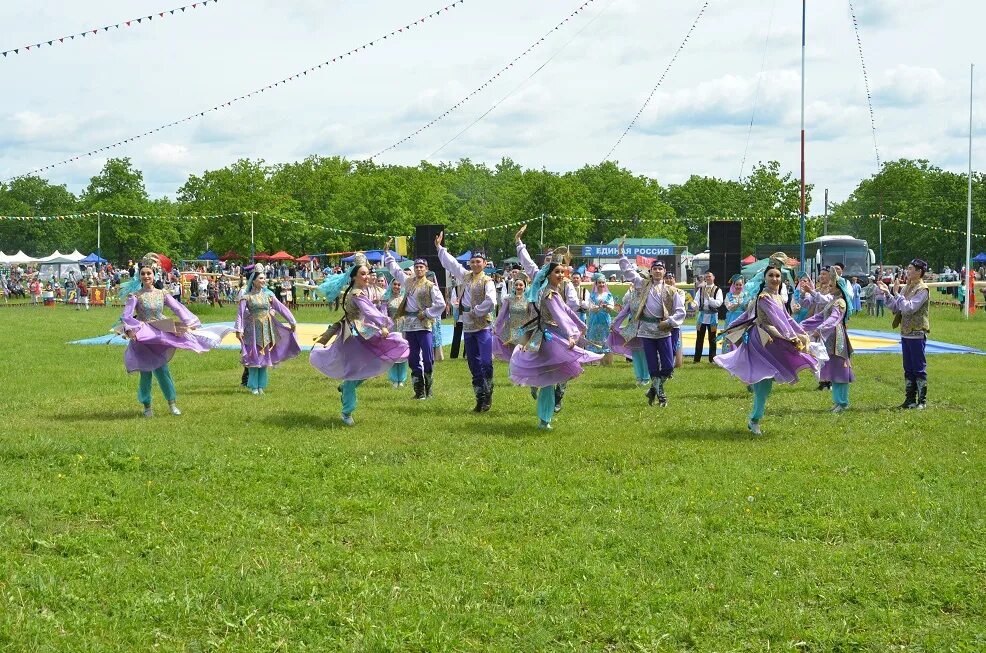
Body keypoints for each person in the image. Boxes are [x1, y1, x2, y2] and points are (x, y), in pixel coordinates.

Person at [715, 264, 817, 436]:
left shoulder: (777, 297)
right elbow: (778, 321)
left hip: (775, 340)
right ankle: (754, 419)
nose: (775, 279)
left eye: (777, 276)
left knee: (768, 379)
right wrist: (792, 336)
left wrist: (801, 333)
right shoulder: (763, 298)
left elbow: (787, 319)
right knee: (764, 379)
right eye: (771, 275)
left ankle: (754, 397)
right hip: (761, 340)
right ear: (765, 278)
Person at [310, 254, 410, 426]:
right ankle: (346, 412)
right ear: (354, 276)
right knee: (354, 371)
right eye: (362, 274)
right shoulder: (356, 294)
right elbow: (370, 311)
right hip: (353, 335)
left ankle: (346, 390)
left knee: (365, 366)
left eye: (367, 273)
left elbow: (369, 311)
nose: (366, 277)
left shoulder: (357, 291)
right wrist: (384, 323)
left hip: (361, 332)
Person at [509, 256, 602, 429]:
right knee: (550, 377)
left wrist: (580, 325)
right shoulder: (550, 294)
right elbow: (560, 317)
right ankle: (544, 419)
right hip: (549, 337)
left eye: (562, 271)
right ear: (549, 275)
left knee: (552, 374)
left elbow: (567, 311)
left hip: (552, 334)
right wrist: (572, 334)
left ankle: (541, 401)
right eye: (556, 272)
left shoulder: (555, 292)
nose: (560, 274)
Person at [117, 258, 214, 417]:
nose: (146, 276)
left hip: (160, 333)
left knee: (163, 370)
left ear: (154, 275)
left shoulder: (163, 294)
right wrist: (130, 331)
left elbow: (178, 308)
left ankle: (172, 404)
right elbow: (126, 316)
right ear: (139, 276)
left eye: (149, 273)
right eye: (143, 274)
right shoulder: (135, 296)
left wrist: (189, 321)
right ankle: (147, 407)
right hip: (143, 336)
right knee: (145, 372)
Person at [617, 236, 685, 407]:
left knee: (668, 366)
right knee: (653, 365)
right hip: (646, 330)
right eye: (654, 268)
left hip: (663, 330)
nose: (657, 271)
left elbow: (680, 311)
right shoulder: (642, 284)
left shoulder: (672, 291)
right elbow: (628, 272)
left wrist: (669, 322)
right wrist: (621, 253)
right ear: (651, 271)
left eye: (660, 269)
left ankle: (653, 390)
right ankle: (661, 395)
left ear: (664, 271)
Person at [436, 232, 497, 412]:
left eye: (479, 261)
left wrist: (475, 311)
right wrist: (440, 248)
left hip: (483, 326)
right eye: (473, 261)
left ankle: (488, 394)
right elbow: (452, 264)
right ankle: (479, 398)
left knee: (485, 362)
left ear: (485, 264)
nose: (475, 264)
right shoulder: (466, 277)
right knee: (472, 362)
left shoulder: (488, 281)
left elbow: (492, 301)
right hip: (469, 328)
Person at [383, 243, 446, 399]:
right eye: (416, 267)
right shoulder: (408, 282)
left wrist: (426, 313)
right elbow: (396, 270)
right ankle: (418, 391)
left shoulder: (430, 286)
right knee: (412, 357)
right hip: (409, 326)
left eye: (421, 267)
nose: (418, 269)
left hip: (424, 325)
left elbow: (441, 304)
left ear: (426, 269)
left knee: (428, 358)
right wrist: (387, 253)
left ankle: (428, 388)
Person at [235, 269, 301, 395]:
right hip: (252, 330)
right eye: (260, 278)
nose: (263, 280)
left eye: (264, 278)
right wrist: (239, 330)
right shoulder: (246, 297)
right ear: (253, 281)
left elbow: (281, 308)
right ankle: (254, 386)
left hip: (266, 329)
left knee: (264, 356)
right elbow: (240, 314)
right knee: (255, 356)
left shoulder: (268, 295)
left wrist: (292, 321)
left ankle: (261, 386)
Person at [877, 259, 931, 409]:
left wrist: (896, 293)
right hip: (905, 333)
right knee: (908, 367)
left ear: (919, 272)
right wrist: (888, 294)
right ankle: (910, 399)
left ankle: (922, 401)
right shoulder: (906, 287)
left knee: (918, 367)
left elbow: (909, 308)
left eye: (911, 269)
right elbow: (897, 308)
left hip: (917, 332)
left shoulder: (923, 289)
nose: (908, 271)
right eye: (907, 268)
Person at [801, 272, 856, 412]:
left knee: (840, 369)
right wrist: (801, 325)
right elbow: (820, 317)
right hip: (830, 338)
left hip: (838, 339)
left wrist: (819, 330)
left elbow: (833, 319)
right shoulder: (832, 301)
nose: (829, 287)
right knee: (834, 369)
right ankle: (838, 401)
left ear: (839, 288)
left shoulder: (840, 302)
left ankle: (843, 402)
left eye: (832, 285)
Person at [609, 280, 649, 386]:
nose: (638, 285)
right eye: (636, 283)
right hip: (633, 327)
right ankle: (639, 376)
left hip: (646, 327)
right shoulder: (632, 296)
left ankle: (646, 377)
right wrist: (615, 322)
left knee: (644, 352)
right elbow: (624, 312)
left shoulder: (650, 295)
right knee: (636, 352)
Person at [492, 274, 533, 361]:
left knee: (523, 354)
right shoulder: (509, 299)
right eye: (516, 284)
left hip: (524, 330)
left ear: (525, 286)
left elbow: (532, 315)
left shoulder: (529, 300)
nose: (518, 287)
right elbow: (502, 313)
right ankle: (513, 372)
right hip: (511, 329)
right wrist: (496, 326)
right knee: (513, 355)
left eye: (521, 285)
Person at [692, 271, 723, 363]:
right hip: (702, 317)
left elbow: (719, 303)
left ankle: (712, 358)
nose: (708, 278)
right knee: (699, 338)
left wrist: (710, 300)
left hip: (712, 317)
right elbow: (696, 300)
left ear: (713, 277)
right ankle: (697, 359)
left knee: (712, 338)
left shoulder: (718, 290)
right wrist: (695, 304)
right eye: (706, 277)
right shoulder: (701, 289)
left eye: (709, 276)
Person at [584, 273, 615, 362]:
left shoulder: (608, 295)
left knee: (605, 337)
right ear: (596, 284)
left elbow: (611, 307)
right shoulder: (592, 295)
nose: (601, 284)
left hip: (605, 320)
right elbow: (590, 306)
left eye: (603, 283)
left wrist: (606, 306)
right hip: (594, 319)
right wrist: (597, 307)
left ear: (605, 284)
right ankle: (594, 359)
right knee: (593, 336)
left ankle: (606, 360)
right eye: (599, 283)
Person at [385, 278, 410, 388]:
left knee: (403, 353)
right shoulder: (386, 299)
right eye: (395, 284)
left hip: (403, 327)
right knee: (393, 354)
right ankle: (394, 379)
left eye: (399, 285)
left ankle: (402, 379)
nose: (396, 286)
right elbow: (383, 314)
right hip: (391, 328)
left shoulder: (405, 298)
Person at [722, 275, 746, 353]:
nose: (738, 286)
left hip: (742, 320)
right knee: (730, 338)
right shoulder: (729, 295)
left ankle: (742, 355)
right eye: (737, 284)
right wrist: (737, 304)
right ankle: (729, 355)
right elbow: (729, 308)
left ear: (743, 285)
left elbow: (748, 308)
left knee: (742, 337)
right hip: (731, 319)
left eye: (740, 284)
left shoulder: (745, 296)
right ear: (733, 285)